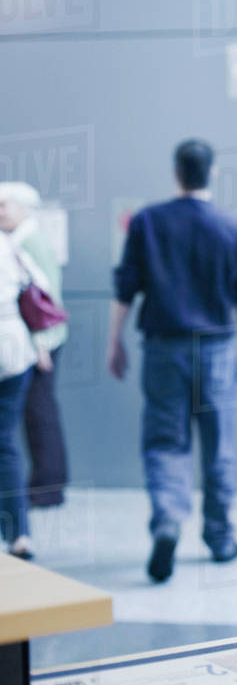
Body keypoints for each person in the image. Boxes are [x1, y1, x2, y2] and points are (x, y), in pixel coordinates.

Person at [107, 139, 237, 583]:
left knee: (164, 441)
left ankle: (168, 521)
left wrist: (113, 342)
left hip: (163, 348)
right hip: (215, 350)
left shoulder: (147, 222)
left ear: (176, 172)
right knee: (219, 446)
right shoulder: (233, 230)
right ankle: (220, 538)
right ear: (211, 173)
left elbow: (124, 289)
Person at [0, 183, 69, 513]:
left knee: (40, 414)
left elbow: (46, 298)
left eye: (4, 205)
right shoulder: (18, 240)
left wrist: (41, 346)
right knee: (33, 414)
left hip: (41, 344)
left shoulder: (31, 241)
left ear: (24, 208)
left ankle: (48, 487)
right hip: (31, 344)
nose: (0, 212)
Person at [0, 186, 39, 559]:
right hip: (14, 350)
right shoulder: (7, 247)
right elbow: (35, 290)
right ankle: (18, 535)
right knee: (6, 444)